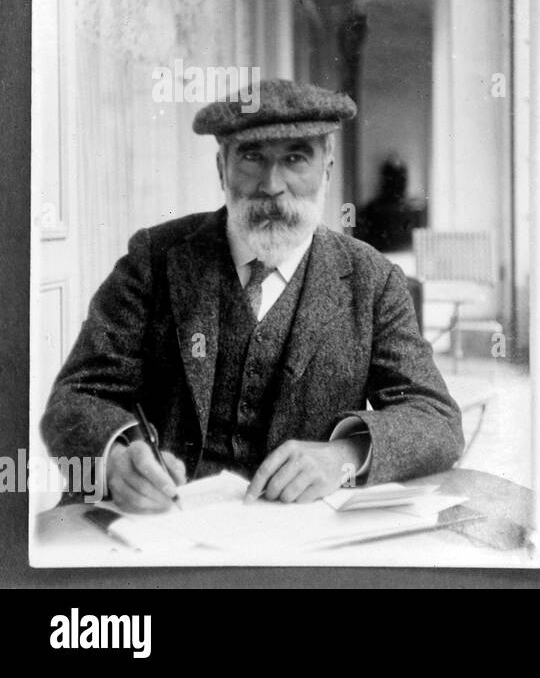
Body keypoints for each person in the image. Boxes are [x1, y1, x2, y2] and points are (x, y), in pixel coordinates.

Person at [42, 79, 464, 514]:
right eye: (251, 157)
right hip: (158, 528)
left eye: (296, 157)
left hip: (298, 547)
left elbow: (437, 420)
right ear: (222, 168)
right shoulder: (155, 258)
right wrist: (114, 460)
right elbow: (76, 396)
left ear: (327, 169)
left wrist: (344, 456)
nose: (272, 185)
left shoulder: (372, 281)